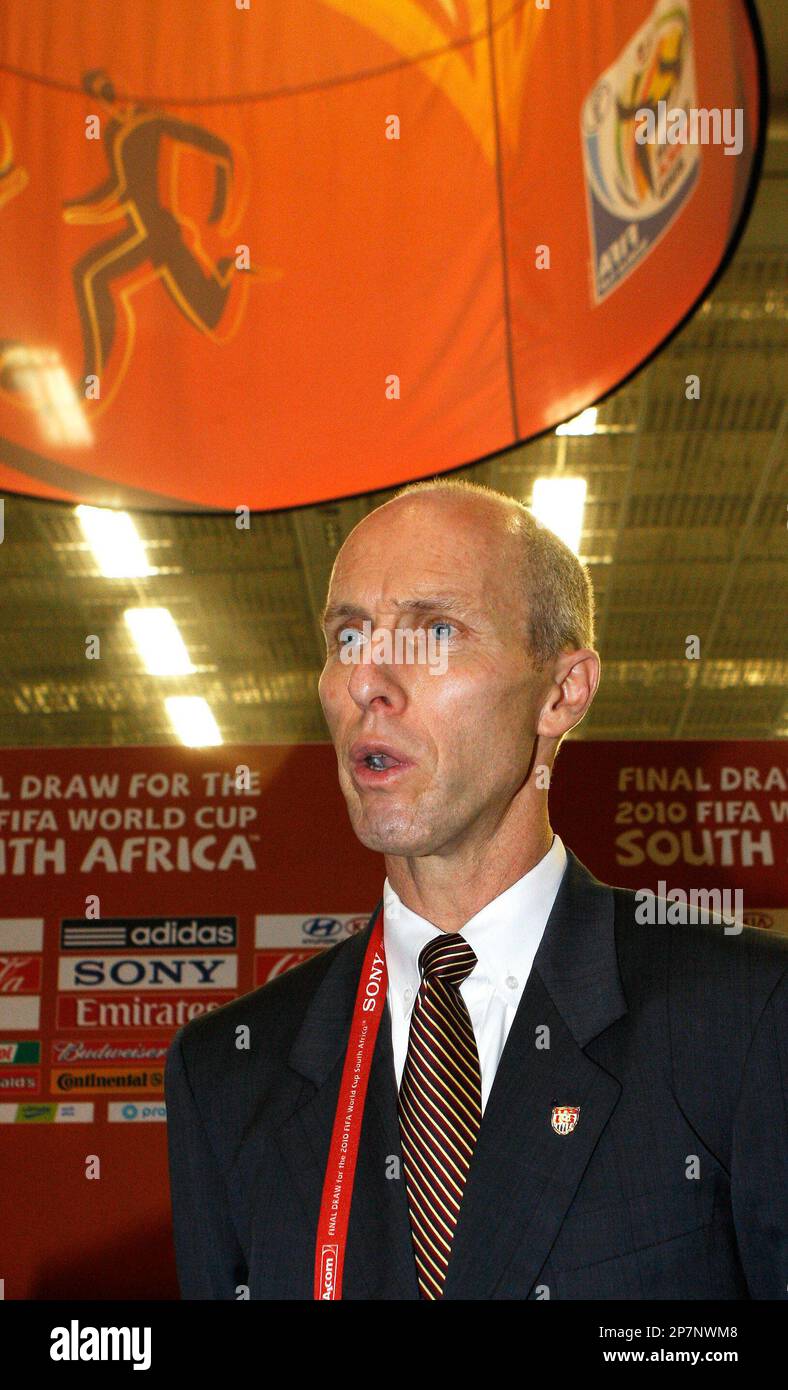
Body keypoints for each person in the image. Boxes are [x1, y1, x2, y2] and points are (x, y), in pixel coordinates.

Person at [165, 478, 787, 1300]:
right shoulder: (226, 1076)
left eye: (436, 631)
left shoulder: (745, 1020)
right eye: (348, 636)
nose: (367, 684)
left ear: (563, 692)